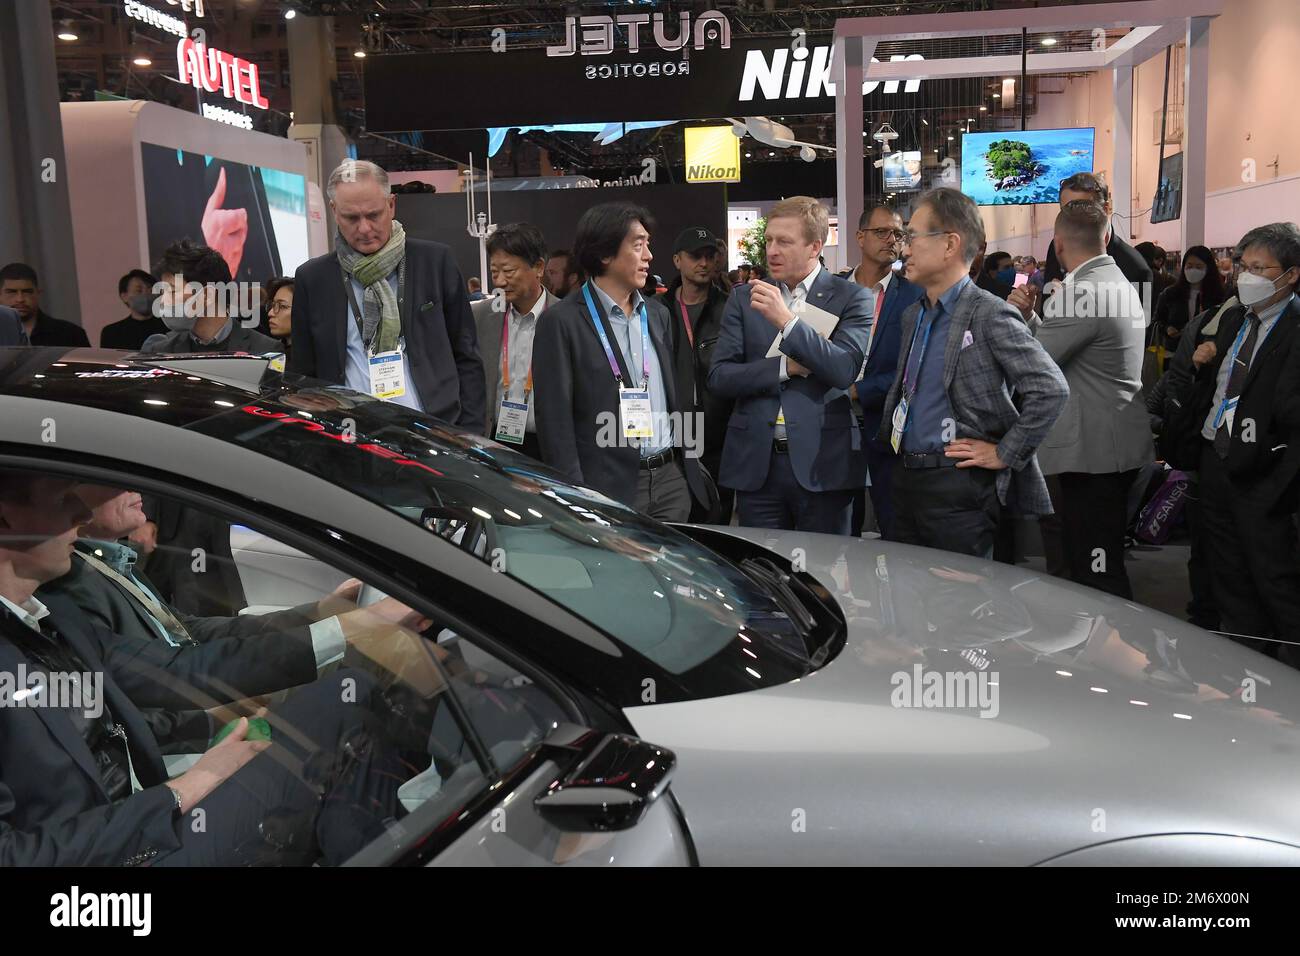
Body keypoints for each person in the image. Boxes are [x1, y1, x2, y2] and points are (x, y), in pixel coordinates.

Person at [0, 471, 430, 867]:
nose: (80, 512)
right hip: (119, 864)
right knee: (342, 716)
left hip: (150, 810)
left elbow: (185, 667)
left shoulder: (55, 619)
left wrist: (351, 627)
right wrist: (185, 788)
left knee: (345, 695)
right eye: (62, 498)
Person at [878, 188, 1068, 558]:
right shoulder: (913, 315)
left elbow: (1050, 389)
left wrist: (1006, 451)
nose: (904, 249)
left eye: (913, 237)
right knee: (906, 598)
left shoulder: (989, 313)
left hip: (958, 486)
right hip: (904, 479)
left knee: (958, 604)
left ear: (950, 244)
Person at [1162, 222, 1300, 665]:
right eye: (1244, 266)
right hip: (1215, 458)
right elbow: (1221, 385)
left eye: (1261, 268)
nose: (1248, 276)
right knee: (1226, 571)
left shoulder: (1294, 329)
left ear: (1291, 275)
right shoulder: (1236, 318)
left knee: (1272, 573)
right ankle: (1247, 658)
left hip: (1266, 471)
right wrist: (1204, 364)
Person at [534, 202, 709, 519]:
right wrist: (578, 499)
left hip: (671, 480)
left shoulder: (657, 314)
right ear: (604, 254)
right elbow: (555, 425)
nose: (649, 256)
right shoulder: (561, 322)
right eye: (638, 245)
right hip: (609, 487)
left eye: (648, 244)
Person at [708, 196, 872, 534]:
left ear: (815, 246)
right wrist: (786, 368)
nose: (771, 251)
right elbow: (720, 376)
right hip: (757, 465)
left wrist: (787, 322)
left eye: (784, 241)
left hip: (823, 464)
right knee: (762, 572)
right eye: (768, 240)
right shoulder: (744, 297)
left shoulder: (851, 297)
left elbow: (843, 371)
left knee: (823, 577)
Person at [289, 160, 486, 430]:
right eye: (352, 218)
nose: (365, 228)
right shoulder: (313, 278)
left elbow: (466, 356)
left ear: (391, 205)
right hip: (350, 434)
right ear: (334, 212)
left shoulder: (435, 262)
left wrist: (471, 433)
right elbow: (303, 374)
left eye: (373, 215)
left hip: (435, 430)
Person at [1031, 201, 1154, 598]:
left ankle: (1105, 656)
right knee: (1096, 562)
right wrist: (1034, 322)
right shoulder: (1116, 281)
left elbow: (1037, 363)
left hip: (1094, 453)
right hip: (1112, 443)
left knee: (1096, 573)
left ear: (1058, 245)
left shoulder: (1082, 291)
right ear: (1106, 237)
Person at [844, 202, 924, 537]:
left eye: (897, 233)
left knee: (895, 528)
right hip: (834, 424)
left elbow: (915, 367)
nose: (891, 239)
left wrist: (859, 391)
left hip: (889, 426)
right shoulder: (832, 292)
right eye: (881, 232)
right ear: (860, 237)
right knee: (838, 530)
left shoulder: (915, 296)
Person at [658, 226, 734, 522]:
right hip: (671, 434)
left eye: (709, 256)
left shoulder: (729, 309)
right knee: (674, 522)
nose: (703, 263)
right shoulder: (656, 310)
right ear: (678, 260)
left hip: (717, 434)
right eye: (695, 256)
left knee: (717, 523)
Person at [1011, 172, 1153, 324]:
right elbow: (1047, 314)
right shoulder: (1057, 245)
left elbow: (1138, 331)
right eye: (1066, 211)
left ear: (1105, 209)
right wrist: (1030, 315)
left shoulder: (1134, 267)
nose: (1072, 221)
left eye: (1083, 211)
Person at [473, 222, 558, 460]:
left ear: (539, 267)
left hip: (547, 446)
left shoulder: (565, 318)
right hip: (493, 442)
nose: (499, 281)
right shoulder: (481, 317)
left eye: (509, 271)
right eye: (494, 272)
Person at [140, 239, 281, 354]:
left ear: (207, 295)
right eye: (162, 292)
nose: (163, 301)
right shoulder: (160, 350)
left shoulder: (265, 351)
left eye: (172, 291)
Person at [1154, 245, 1227, 351]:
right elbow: (1157, 321)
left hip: (1206, 354)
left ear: (1208, 268)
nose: (1193, 270)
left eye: (1198, 267)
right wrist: (1167, 328)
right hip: (1174, 352)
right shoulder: (1170, 294)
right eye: (1189, 266)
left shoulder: (1219, 295)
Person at [0, 262, 90, 347]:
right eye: (11, 292)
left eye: (27, 292)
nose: (20, 299)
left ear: (38, 293)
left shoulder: (71, 334)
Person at [100, 269, 166, 350]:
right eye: (139, 291)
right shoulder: (111, 333)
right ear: (124, 296)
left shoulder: (169, 328)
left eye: (150, 290)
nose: (146, 294)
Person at [265, 276, 294, 353]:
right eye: (273, 305)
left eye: (282, 306)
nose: (270, 313)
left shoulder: (321, 358)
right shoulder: (271, 352)